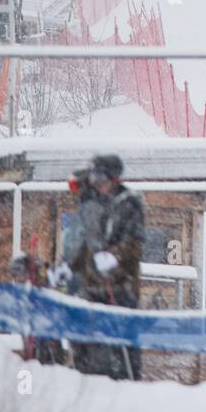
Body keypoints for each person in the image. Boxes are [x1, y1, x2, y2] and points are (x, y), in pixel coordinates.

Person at [63, 154, 145, 380]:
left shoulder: (129, 204)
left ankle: (125, 377)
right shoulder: (92, 204)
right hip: (92, 286)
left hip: (120, 286)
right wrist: (71, 266)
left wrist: (114, 257)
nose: (98, 183)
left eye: (102, 177)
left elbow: (134, 244)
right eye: (94, 177)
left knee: (121, 337)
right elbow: (86, 243)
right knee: (88, 336)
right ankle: (88, 374)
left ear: (114, 178)